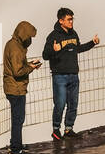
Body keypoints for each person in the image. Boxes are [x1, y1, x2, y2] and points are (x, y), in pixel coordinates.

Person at [41, 7, 99, 141]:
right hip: (59, 76)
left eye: (72, 19)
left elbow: (78, 48)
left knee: (73, 103)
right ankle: (56, 130)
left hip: (73, 74)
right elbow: (45, 55)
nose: (71, 22)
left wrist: (92, 43)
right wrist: (54, 50)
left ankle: (69, 129)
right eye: (69, 19)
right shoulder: (53, 36)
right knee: (60, 104)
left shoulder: (74, 34)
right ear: (61, 21)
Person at [3, 21, 42, 154]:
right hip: (16, 88)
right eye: (29, 37)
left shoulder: (13, 44)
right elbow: (18, 72)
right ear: (24, 35)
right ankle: (15, 149)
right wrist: (30, 67)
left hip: (13, 87)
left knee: (17, 118)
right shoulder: (16, 49)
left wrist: (30, 64)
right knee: (18, 119)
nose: (30, 40)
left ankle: (16, 143)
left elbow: (18, 66)